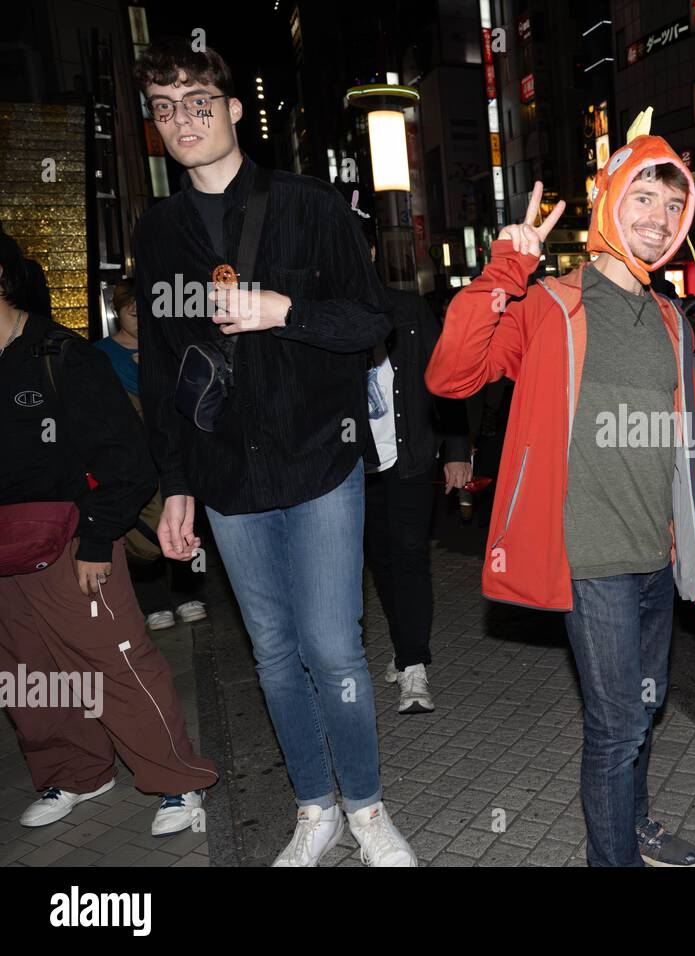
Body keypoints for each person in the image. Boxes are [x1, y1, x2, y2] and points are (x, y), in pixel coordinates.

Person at [132, 40, 413, 866]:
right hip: (223, 474)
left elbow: (371, 324)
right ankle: (312, 808)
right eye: (166, 108)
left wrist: (281, 308)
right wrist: (175, 486)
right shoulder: (157, 234)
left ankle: (366, 810)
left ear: (233, 111)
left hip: (319, 459)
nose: (183, 119)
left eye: (198, 102)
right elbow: (159, 368)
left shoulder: (309, 205)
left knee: (333, 647)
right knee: (274, 655)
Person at [426, 112, 695, 867]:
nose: (658, 219)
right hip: (590, 558)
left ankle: (636, 828)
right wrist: (501, 272)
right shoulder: (552, 304)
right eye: (643, 199)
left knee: (642, 715)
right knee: (617, 726)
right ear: (609, 202)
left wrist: (688, 545)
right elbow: (449, 374)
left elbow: (682, 444)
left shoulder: (671, 317)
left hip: (656, 556)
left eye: (672, 205)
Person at [0, 230, 219, 837]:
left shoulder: (60, 355)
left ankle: (177, 782)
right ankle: (76, 772)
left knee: (116, 665)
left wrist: (98, 542)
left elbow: (127, 460)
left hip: (72, 544)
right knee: (27, 675)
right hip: (3, 556)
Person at [357, 220, 472, 715]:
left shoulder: (407, 309)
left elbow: (444, 378)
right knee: (379, 561)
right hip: (350, 467)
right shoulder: (313, 318)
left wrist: (456, 448)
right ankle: (405, 646)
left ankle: (413, 662)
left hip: (409, 455)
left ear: (372, 252)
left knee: (408, 556)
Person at [95, 280, 208, 632]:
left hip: (174, 447)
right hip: (130, 455)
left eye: (144, 309)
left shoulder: (168, 347)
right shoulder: (99, 355)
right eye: (130, 310)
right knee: (140, 527)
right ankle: (153, 600)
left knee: (186, 518)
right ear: (116, 311)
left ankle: (189, 592)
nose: (139, 317)